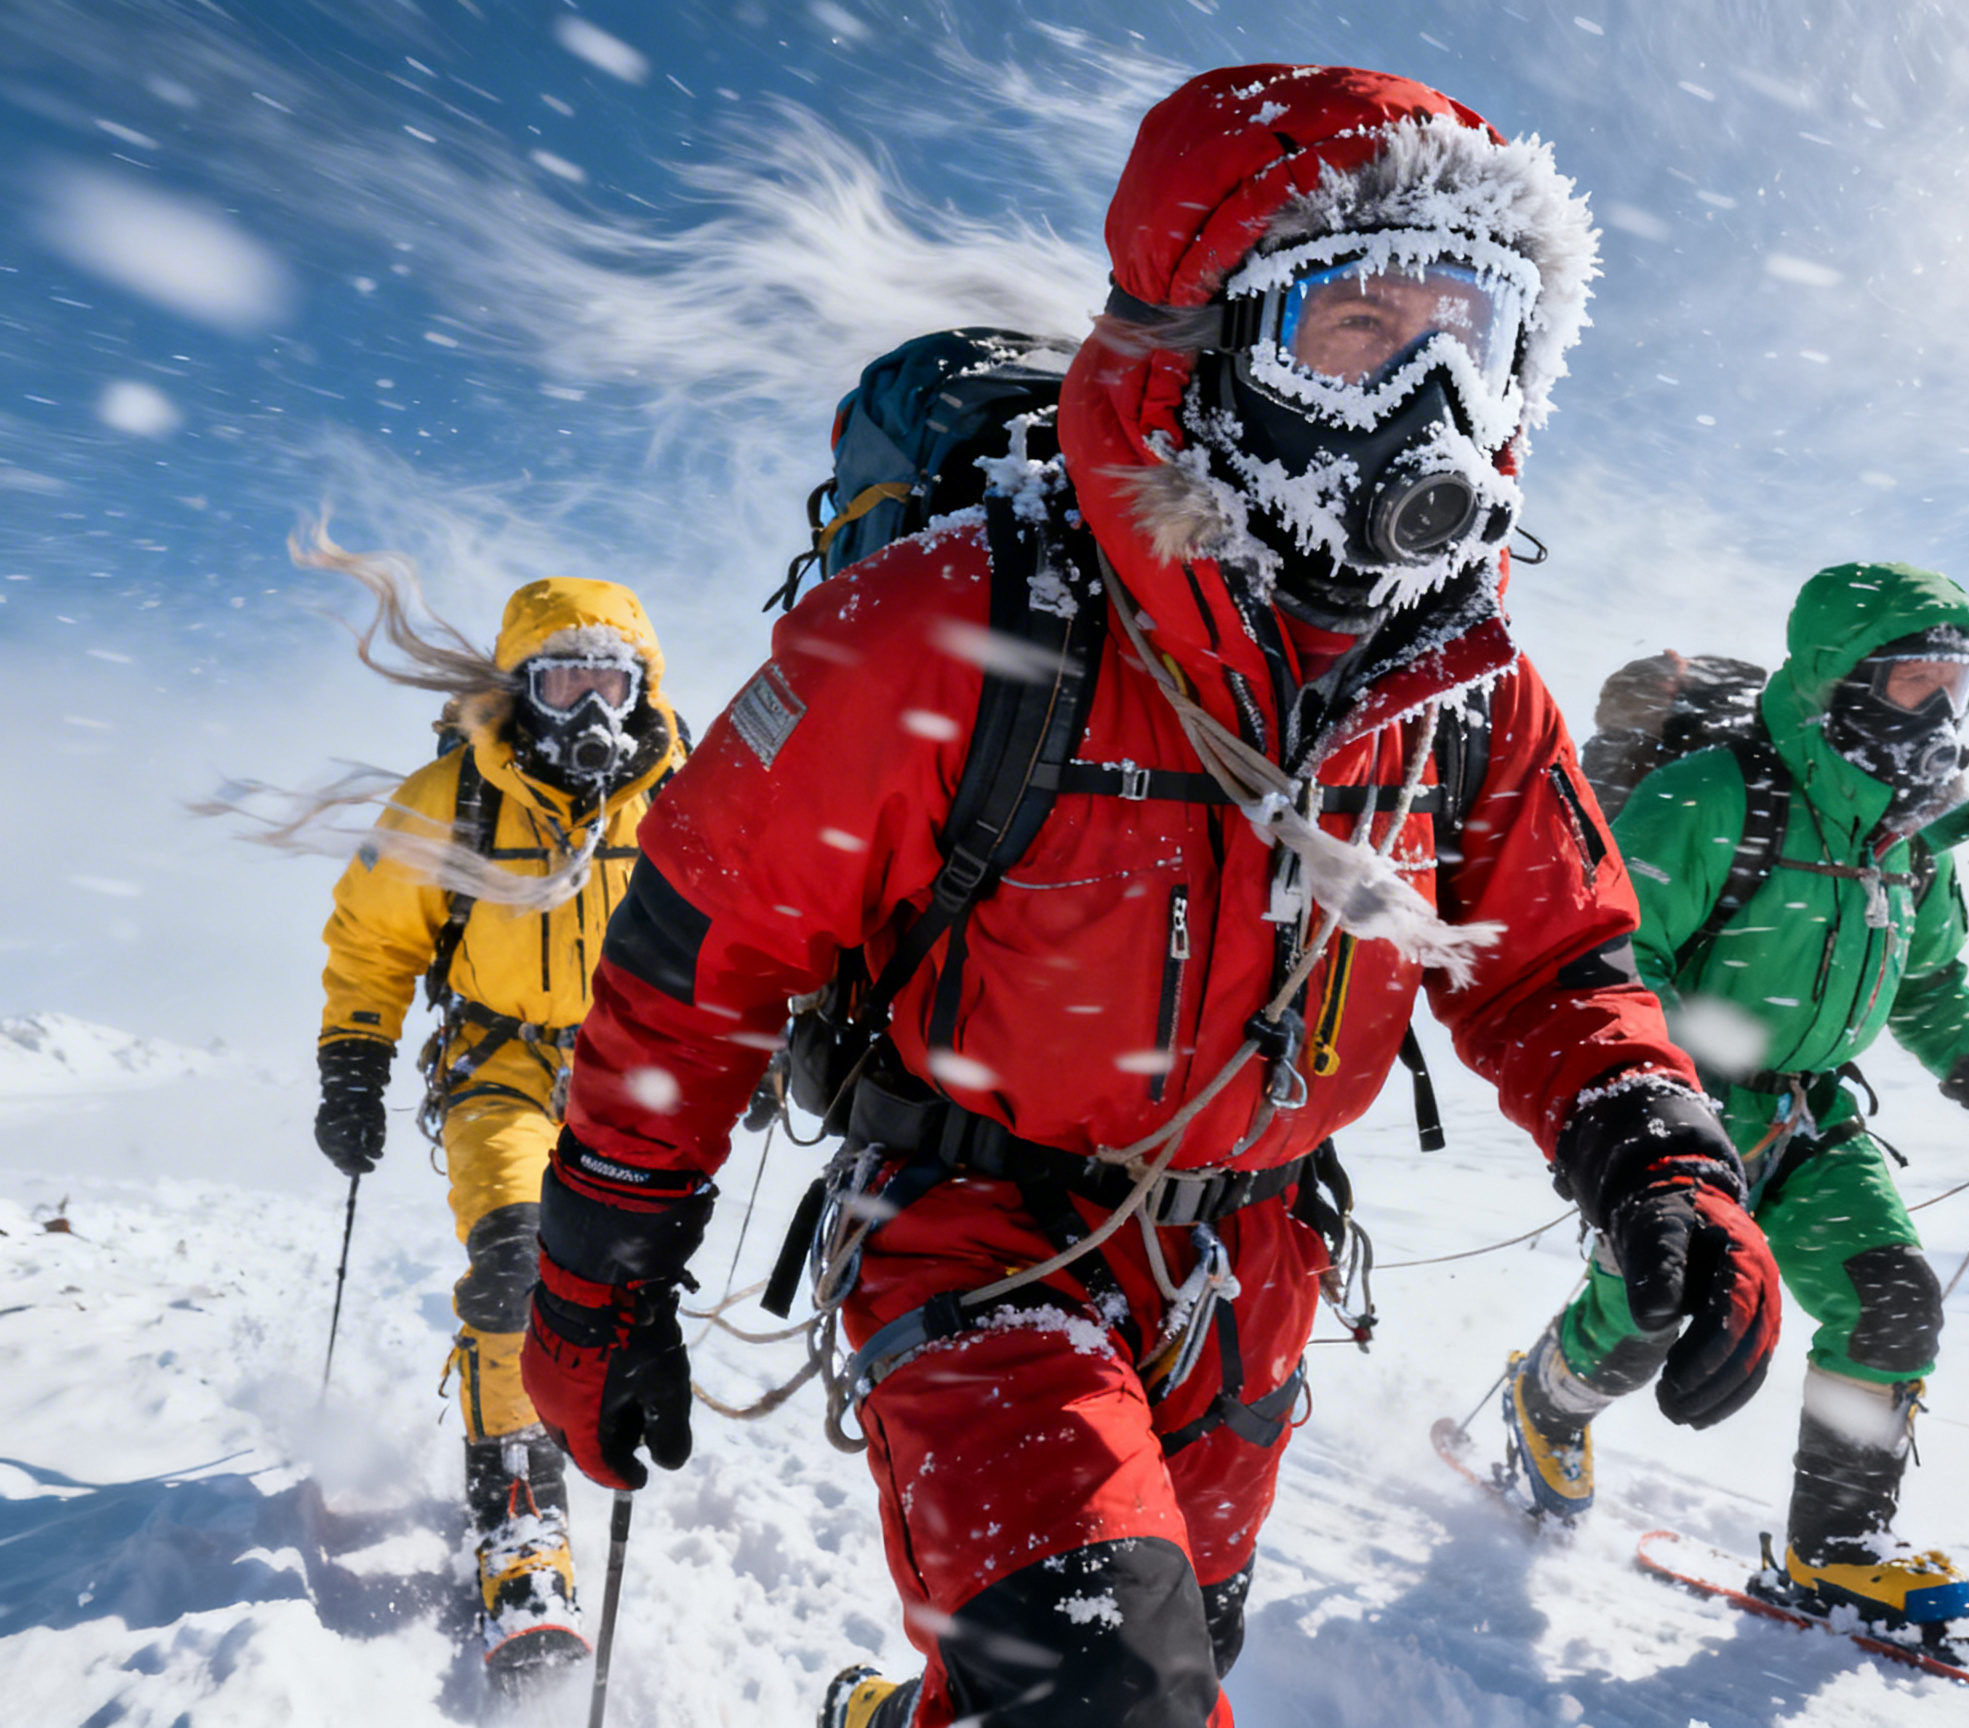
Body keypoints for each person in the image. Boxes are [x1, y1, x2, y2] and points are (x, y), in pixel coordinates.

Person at [518, 64, 1781, 1728]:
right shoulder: (953, 623)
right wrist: (601, 1268)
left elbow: (1551, 961)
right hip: (973, 1242)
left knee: (1172, 1655)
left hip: (1251, 1269)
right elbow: (701, 952)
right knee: (1108, 1690)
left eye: (1468, 337)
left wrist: (1658, 1156)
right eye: (1354, 326)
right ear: (1208, 351)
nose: (1427, 395)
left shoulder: (1463, 691)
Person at [1499, 561, 1969, 1633]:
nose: (1941, 713)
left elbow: (1929, 983)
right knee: (1648, 1315)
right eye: (1916, 682)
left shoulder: (1912, 835)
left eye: (1957, 688)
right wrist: (1676, 1091)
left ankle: (1838, 1551)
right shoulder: (1710, 795)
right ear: (1840, 675)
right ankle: (1549, 1402)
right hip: (1678, 1111)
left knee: (1892, 1301)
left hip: (1813, 1118)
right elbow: (1617, 960)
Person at [313, 570, 684, 1679]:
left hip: (631, 1074)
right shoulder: (452, 799)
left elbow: (753, 913)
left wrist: (763, 1030)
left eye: (611, 684)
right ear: (524, 688)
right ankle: (518, 1511)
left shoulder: (681, 794)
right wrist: (354, 1062)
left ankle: (577, 1425)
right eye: (565, 683)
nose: (593, 712)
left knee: (611, 1282)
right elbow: (374, 936)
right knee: (518, 1264)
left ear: (644, 686)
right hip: (499, 1068)